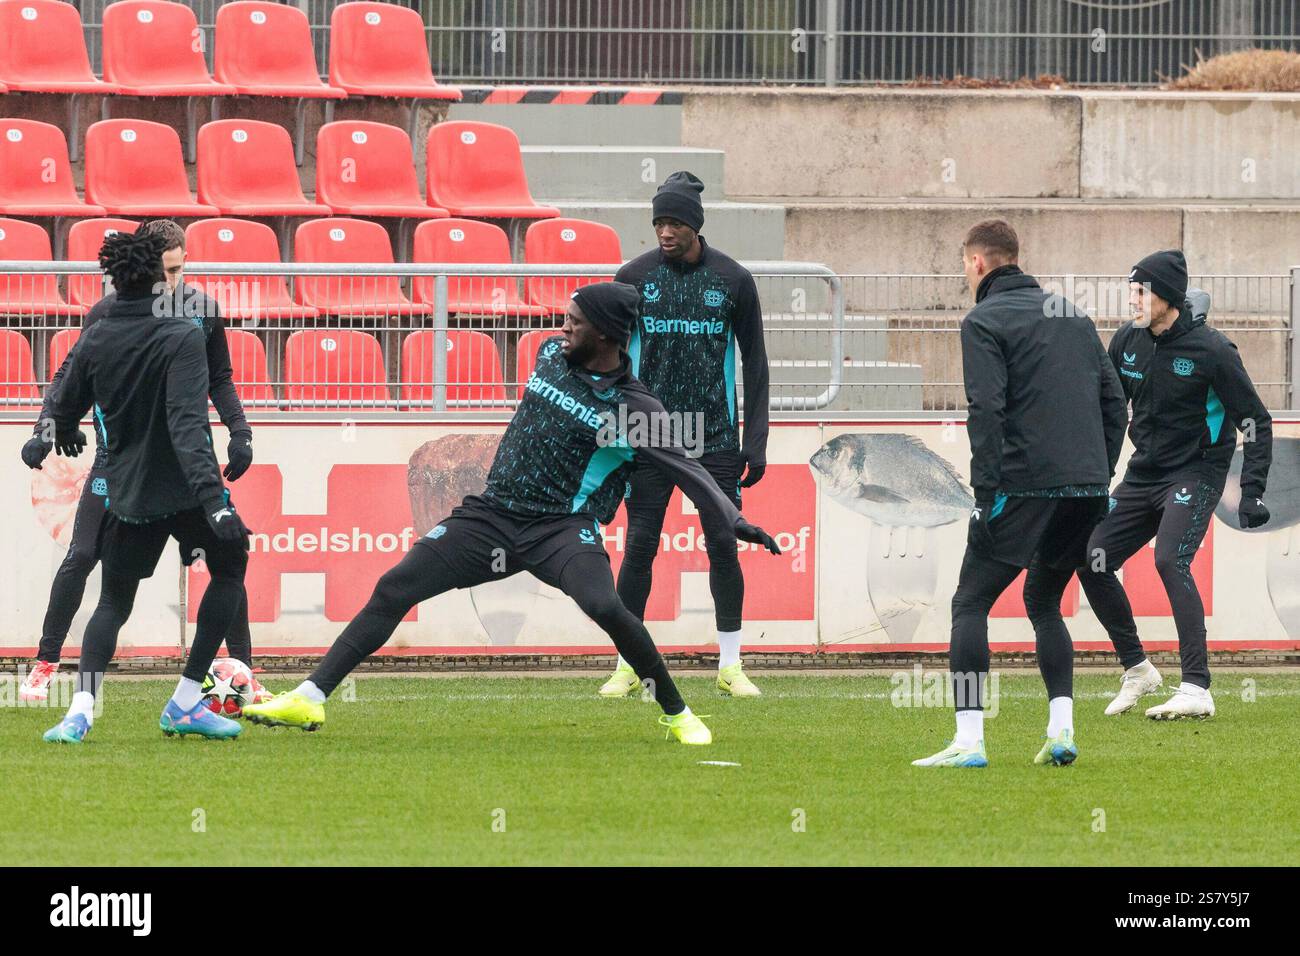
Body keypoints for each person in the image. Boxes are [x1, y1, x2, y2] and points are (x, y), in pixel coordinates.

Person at [243, 283, 781, 745]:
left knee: (609, 608)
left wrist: (731, 516)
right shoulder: (550, 353)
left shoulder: (635, 408)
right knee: (394, 586)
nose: (562, 326)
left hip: (560, 530)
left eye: (575, 321)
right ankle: (310, 697)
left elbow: (687, 469)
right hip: (490, 515)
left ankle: (678, 713)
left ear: (607, 336)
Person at [912, 220, 1127, 769]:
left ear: (979, 263)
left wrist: (986, 491)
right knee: (1043, 601)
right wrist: (1097, 473)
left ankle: (968, 740)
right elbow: (1115, 403)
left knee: (970, 602)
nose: (965, 272)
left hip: (1021, 485)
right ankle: (1061, 732)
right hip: (1084, 487)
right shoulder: (1072, 316)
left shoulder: (982, 320)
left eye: (965, 263)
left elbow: (987, 409)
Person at [19, 219, 259, 704]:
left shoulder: (201, 312)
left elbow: (221, 378)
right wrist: (46, 432)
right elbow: (71, 375)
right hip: (119, 462)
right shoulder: (110, 314)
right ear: (148, 267)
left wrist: (240, 431)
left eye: (180, 267)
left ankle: (244, 675)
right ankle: (45, 664)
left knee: (225, 556)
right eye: (166, 269)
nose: (173, 280)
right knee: (83, 556)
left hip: (184, 466)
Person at [596, 171, 771, 699]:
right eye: (658, 222)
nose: (665, 232)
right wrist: (612, 428)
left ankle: (731, 666)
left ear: (695, 225)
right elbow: (609, 358)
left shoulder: (734, 280)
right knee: (641, 545)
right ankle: (629, 666)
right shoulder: (633, 277)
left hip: (713, 436)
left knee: (722, 542)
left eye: (674, 222)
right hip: (650, 435)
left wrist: (756, 440)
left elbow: (757, 362)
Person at [1077, 251, 1272, 720]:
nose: (1133, 300)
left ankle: (1196, 687)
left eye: (1141, 291)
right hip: (1144, 474)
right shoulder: (1126, 340)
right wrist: (1093, 479)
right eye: (1131, 290)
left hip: (1196, 472)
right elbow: (1105, 410)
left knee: (1170, 559)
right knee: (1091, 559)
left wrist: (1252, 491)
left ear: (1168, 295)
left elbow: (1255, 420)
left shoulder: (1213, 351)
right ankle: (1138, 668)